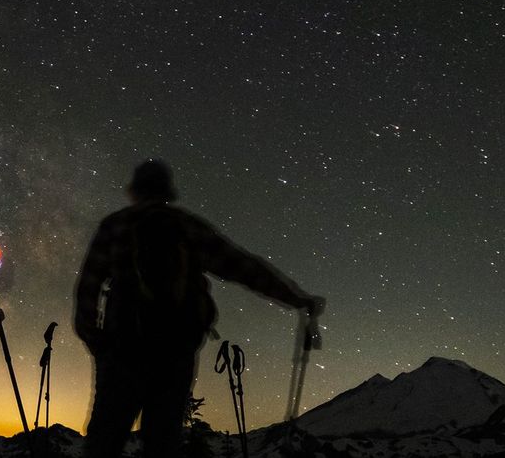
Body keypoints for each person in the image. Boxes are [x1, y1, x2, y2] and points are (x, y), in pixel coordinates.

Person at [74, 160, 324, 458]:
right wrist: (296, 298)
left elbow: (89, 287)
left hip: (122, 350)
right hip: (174, 351)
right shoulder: (186, 227)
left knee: (105, 440)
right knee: (162, 442)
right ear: (167, 192)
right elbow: (242, 267)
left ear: (135, 191)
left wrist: (98, 342)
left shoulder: (115, 226)